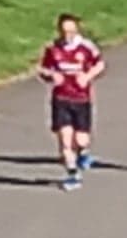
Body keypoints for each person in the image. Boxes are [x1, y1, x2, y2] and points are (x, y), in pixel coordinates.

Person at [37, 13, 104, 191]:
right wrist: (52, 75)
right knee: (65, 141)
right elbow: (43, 69)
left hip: (81, 99)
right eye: (64, 32)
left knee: (81, 140)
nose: (68, 35)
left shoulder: (86, 47)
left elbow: (100, 64)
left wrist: (88, 76)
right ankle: (73, 175)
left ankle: (83, 152)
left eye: (71, 31)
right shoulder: (53, 49)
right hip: (61, 99)